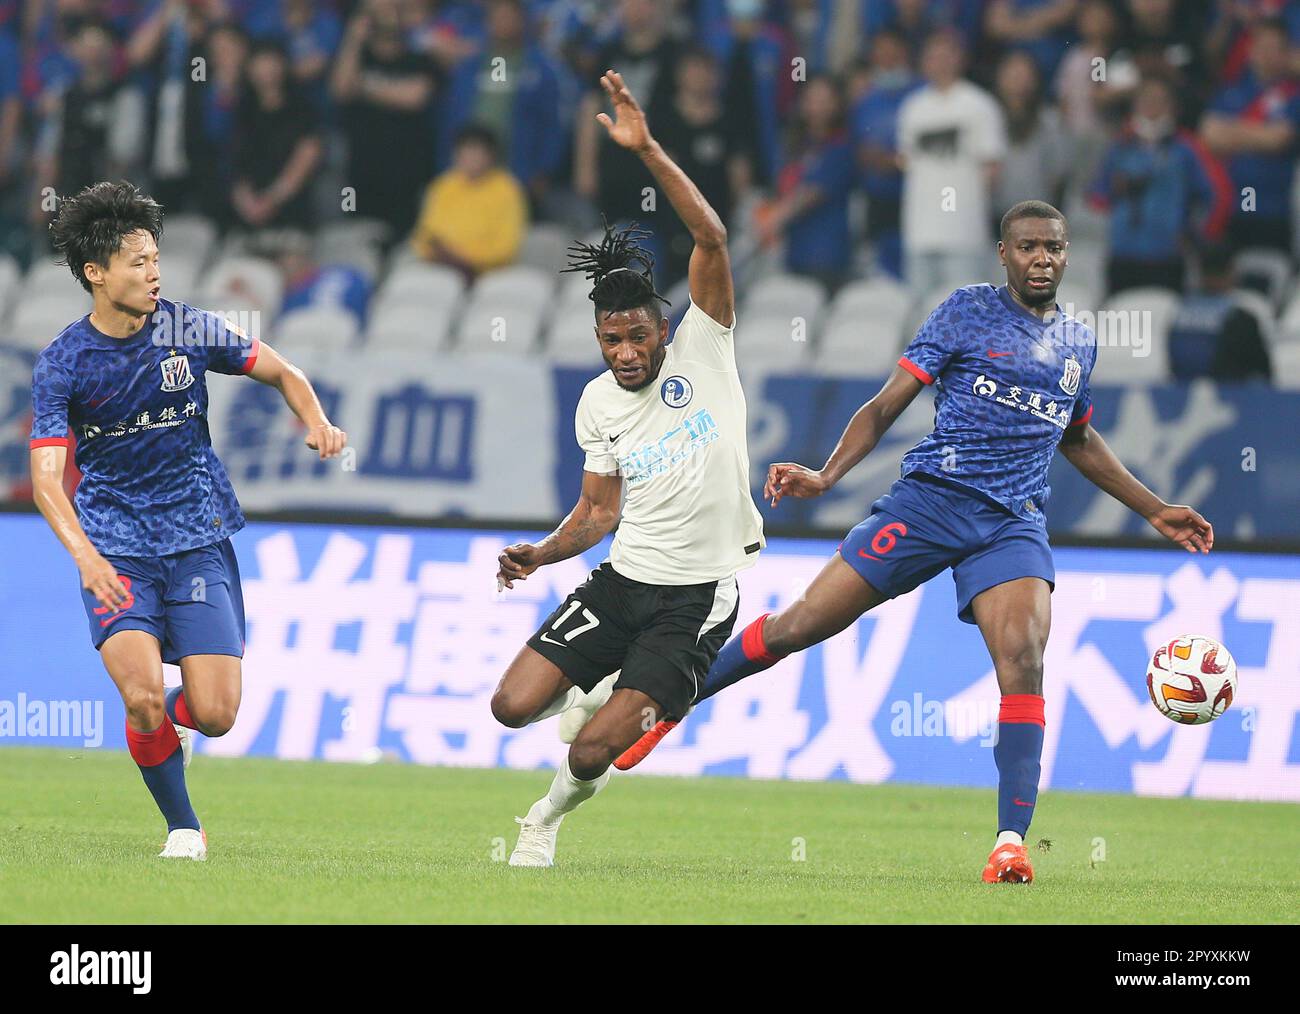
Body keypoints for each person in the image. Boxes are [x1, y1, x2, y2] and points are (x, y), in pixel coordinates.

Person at [615, 200, 1215, 884]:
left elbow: (1075, 437)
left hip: (1012, 521)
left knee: (1024, 661)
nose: (1041, 259)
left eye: (1052, 247)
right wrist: (826, 475)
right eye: (1027, 247)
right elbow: (884, 407)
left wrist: (1155, 509)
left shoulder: (1079, 341)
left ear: (1067, 253)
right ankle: (671, 705)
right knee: (798, 627)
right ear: (1004, 253)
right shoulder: (966, 311)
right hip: (930, 501)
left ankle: (1009, 845)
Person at [490, 70, 764, 867]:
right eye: (612, 340)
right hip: (623, 582)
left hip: (696, 599)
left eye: (639, 335)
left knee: (589, 752)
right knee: (511, 706)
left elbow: (711, 239)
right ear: (599, 339)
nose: (627, 352)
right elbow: (599, 513)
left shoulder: (707, 347)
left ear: (662, 328)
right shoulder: (598, 404)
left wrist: (645, 150)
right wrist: (541, 554)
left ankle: (543, 820)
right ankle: (599, 686)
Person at [28, 181, 347, 860]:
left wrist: (316, 420)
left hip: (197, 538)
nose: (154, 273)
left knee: (216, 715)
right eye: (138, 262)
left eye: (156, 259)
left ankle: (170, 727)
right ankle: (183, 826)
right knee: (142, 696)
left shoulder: (186, 328)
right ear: (96, 272)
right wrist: (86, 557)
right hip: (115, 549)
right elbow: (47, 479)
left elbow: (282, 371)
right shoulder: (65, 361)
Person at [409, 123, 528, 278]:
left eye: (476, 153)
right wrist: (438, 252)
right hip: (441, 264)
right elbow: (424, 235)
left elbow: (506, 246)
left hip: (488, 272)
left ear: (491, 156)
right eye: (464, 152)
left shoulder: (507, 189)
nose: (470, 159)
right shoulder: (443, 186)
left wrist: (464, 257)